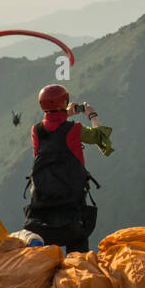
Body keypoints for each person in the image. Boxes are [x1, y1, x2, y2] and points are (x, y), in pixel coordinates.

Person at [25, 85, 112, 252]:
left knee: (46, 258)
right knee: (78, 256)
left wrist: (64, 114)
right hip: (72, 204)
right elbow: (100, 137)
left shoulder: (36, 131)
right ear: (63, 102)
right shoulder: (74, 129)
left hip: (42, 207)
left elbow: (43, 147)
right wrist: (92, 114)